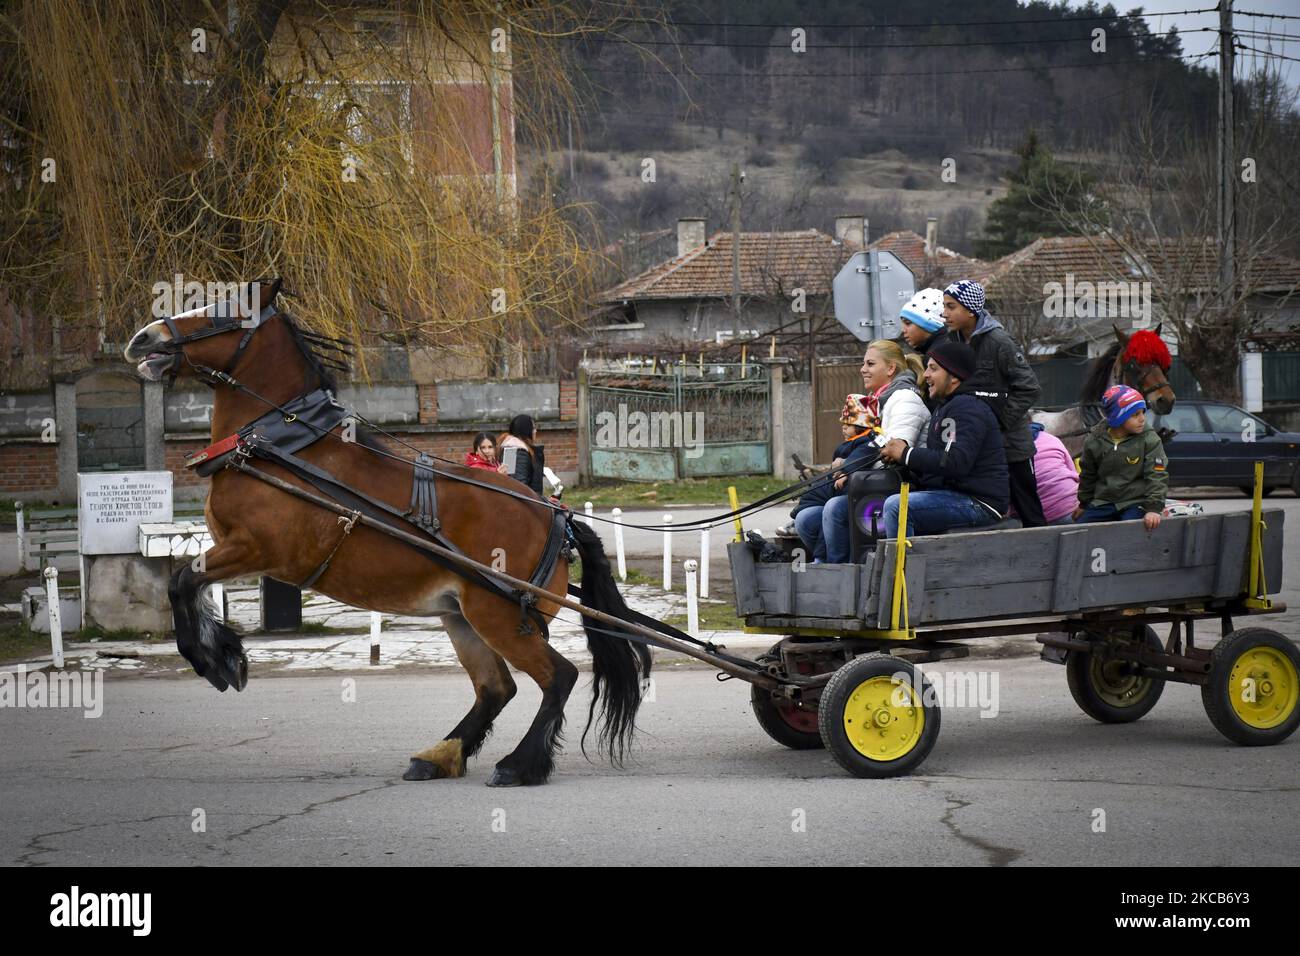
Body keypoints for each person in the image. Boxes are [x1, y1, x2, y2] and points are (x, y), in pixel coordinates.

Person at [804, 340, 930, 562]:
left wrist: (850, 467)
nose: (863, 369)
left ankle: (842, 574)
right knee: (807, 518)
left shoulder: (904, 400)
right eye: (864, 364)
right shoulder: (881, 401)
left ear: (890, 368)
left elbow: (892, 453)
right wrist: (846, 463)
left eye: (870, 364)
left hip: (896, 487)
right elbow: (871, 445)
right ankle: (832, 566)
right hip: (871, 484)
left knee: (835, 508)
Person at [940, 278, 1047, 528]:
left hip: (1011, 447)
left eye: (951, 307)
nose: (945, 314)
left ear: (970, 310)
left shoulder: (999, 342)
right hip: (976, 448)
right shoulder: (952, 342)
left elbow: (1029, 387)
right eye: (944, 306)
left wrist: (997, 423)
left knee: (1029, 512)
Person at [878, 340, 1010, 537]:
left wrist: (906, 454)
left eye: (933, 368)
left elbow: (955, 462)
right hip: (954, 494)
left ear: (954, 376)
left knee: (897, 507)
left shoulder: (967, 407)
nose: (926, 375)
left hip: (979, 502)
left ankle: (902, 567)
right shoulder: (948, 406)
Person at [786, 393, 877, 559]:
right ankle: (798, 516)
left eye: (848, 424)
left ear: (861, 426)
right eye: (843, 423)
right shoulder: (850, 442)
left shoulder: (867, 441)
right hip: (836, 485)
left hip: (847, 488)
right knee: (811, 495)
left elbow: (861, 456)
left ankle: (824, 559)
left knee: (817, 496)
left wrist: (845, 470)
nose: (843, 427)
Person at [1073, 385, 1168, 528]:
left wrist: (1153, 509)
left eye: (1143, 412)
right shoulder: (1094, 440)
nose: (1142, 419)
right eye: (1135, 415)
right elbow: (1088, 475)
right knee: (1079, 530)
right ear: (1118, 417)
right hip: (1103, 502)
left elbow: (1157, 475)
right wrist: (1084, 504)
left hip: (1135, 502)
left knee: (1127, 531)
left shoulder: (1150, 439)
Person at [1024, 422, 1079, 525]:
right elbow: (1073, 471)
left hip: (1038, 517)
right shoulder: (1051, 438)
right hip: (1072, 507)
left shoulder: (1007, 446)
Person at [898, 288, 946, 383]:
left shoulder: (938, 355)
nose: (903, 330)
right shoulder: (939, 347)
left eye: (908, 323)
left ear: (928, 324)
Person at [497, 414, 546, 495]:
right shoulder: (516, 451)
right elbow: (518, 486)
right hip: (524, 503)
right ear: (526, 430)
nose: (535, 431)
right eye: (533, 428)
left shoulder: (520, 449)